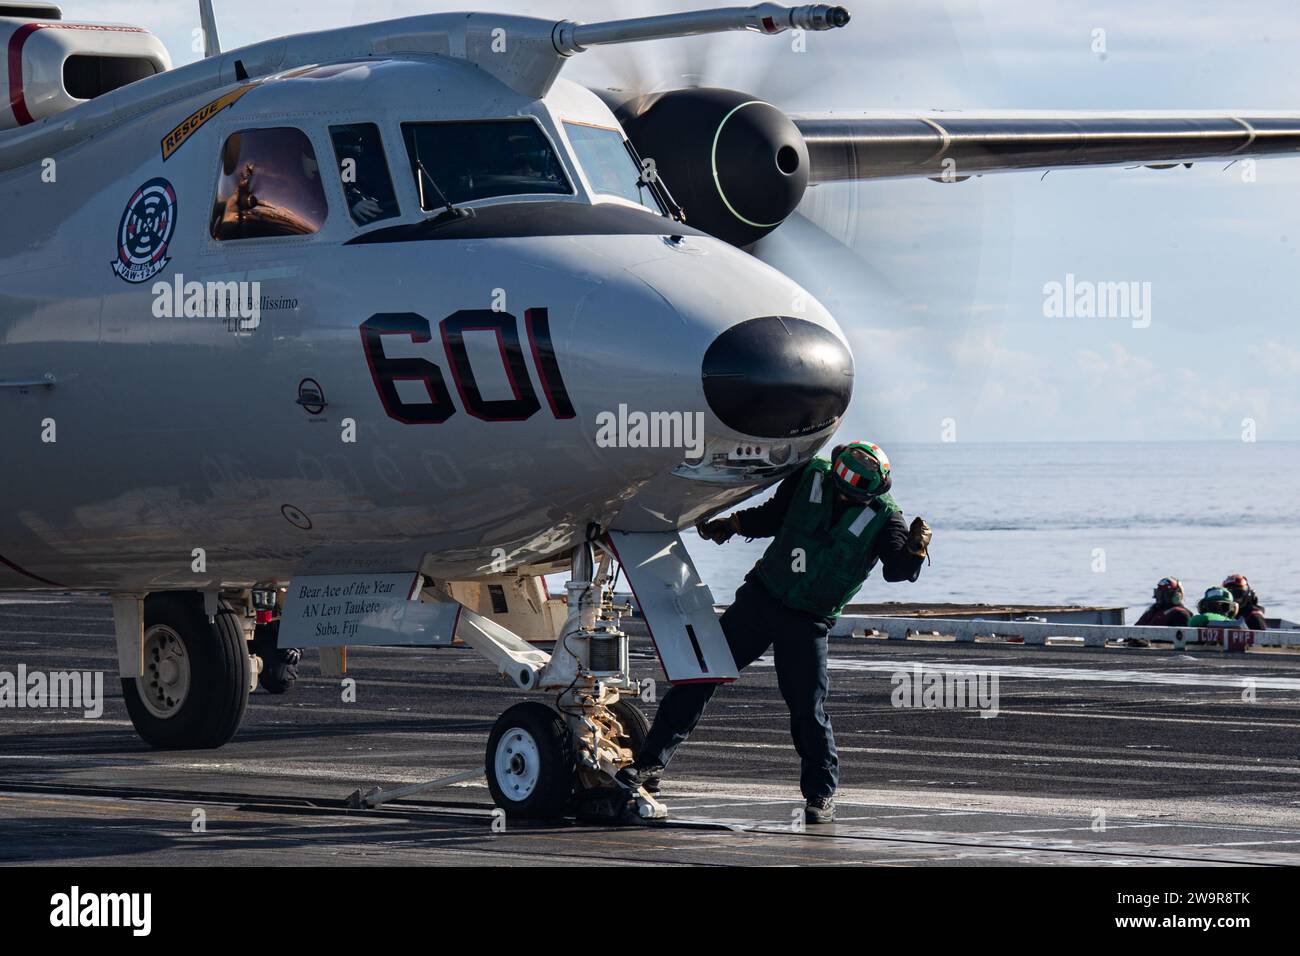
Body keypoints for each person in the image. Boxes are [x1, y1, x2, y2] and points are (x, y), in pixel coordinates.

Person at [617, 441, 931, 824]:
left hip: (809, 619)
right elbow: (774, 516)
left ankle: (820, 796)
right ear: (836, 474)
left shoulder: (886, 519)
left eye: (856, 495)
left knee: (808, 709)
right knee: (701, 676)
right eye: (843, 489)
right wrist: (733, 525)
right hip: (762, 598)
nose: (847, 498)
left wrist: (914, 551)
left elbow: (896, 571)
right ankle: (650, 765)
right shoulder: (810, 475)